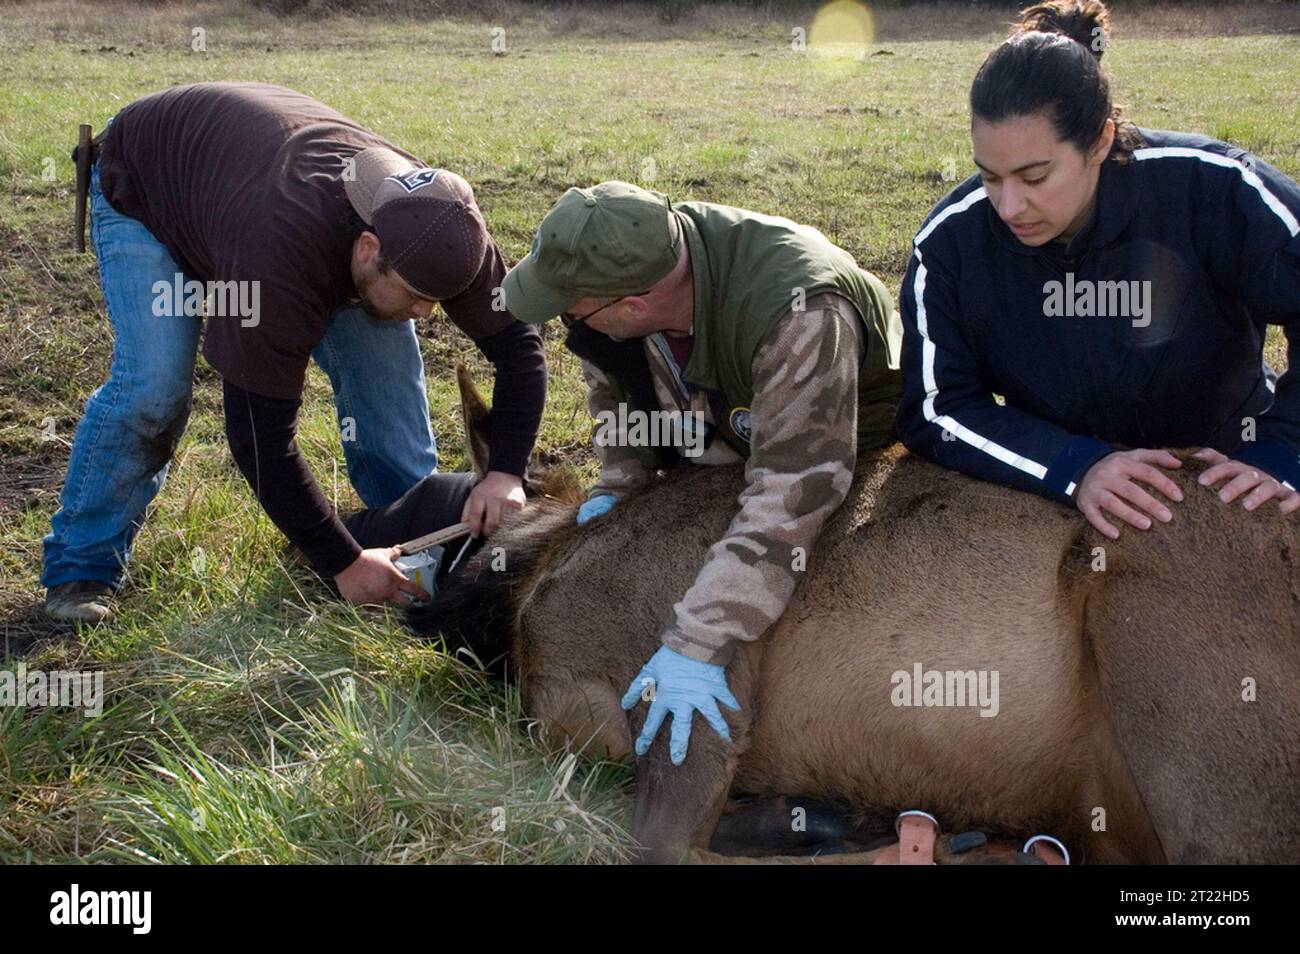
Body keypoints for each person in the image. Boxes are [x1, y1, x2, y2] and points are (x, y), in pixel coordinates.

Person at [42, 83, 547, 623]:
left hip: (264, 173)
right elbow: (259, 437)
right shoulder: (279, 262)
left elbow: (519, 350)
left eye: (438, 300)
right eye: (417, 298)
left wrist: (505, 473)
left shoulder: (443, 227)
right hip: (149, 180)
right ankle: (83, 566)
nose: (427, 314)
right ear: (368, 249)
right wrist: (341, 562)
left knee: (388, 383)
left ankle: (411, 541)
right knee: (155, 387)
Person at [501, 181, 903, 763]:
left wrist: (698, 642)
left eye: (571, 308)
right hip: (729, 419)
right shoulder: (635, 256)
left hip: (839, 437)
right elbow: (613, 387)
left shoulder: (799, 311)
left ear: (633, 307)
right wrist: (619, 484)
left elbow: (794, 492)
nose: (567, 321)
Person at [896, 0, 1300, 541]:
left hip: (1227, 464)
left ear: (1100, 142)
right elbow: (936, 408)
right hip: (1065, 495)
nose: (1008, 206)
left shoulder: (1216, 188)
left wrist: (1282, 450)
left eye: (1034, 176)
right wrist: (1071, 465)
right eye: (989, 176)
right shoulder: (949, 245)